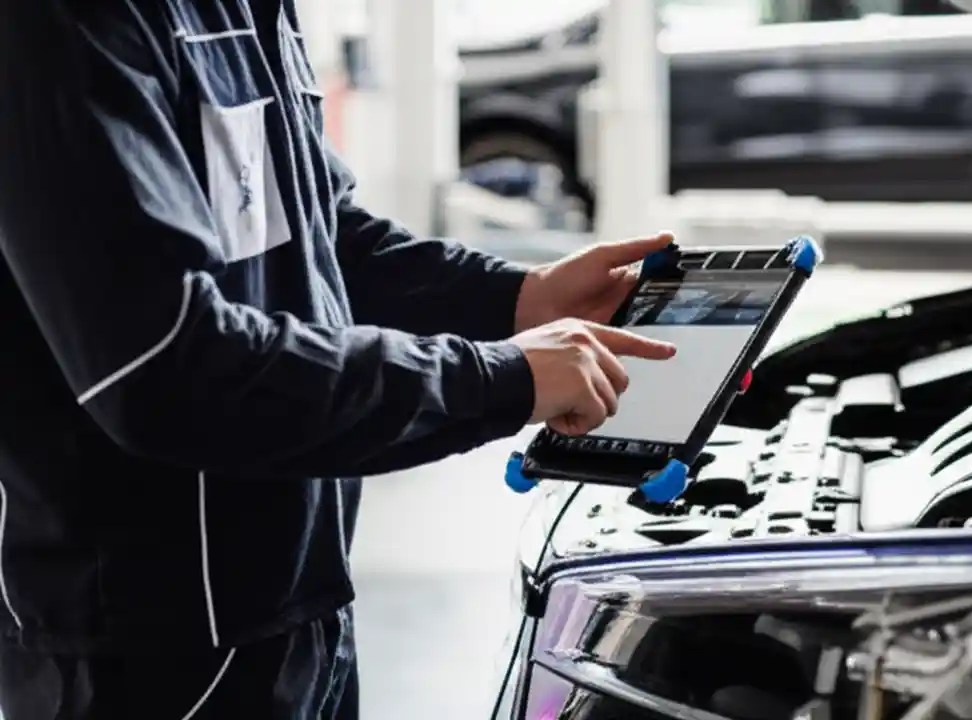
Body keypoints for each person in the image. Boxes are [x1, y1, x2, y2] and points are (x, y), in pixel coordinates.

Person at [0, 1, 676, 717]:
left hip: (299, 609)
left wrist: (516, 298)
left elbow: (321, 239)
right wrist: (500, 378)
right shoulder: (68, 22)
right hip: (146, 650)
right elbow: (167, 366)